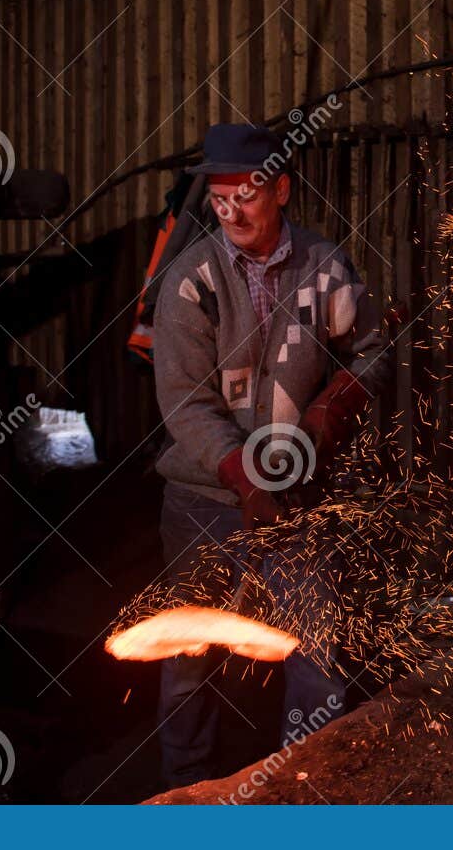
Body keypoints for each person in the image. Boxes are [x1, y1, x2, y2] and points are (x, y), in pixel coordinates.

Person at [150, 122, 389, 789]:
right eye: (220, 199)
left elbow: (372, 351)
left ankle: (301, 794)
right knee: (189, 658)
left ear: (280, 189)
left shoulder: (324, 267)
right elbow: (187, 404)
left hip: (302, 499)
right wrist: (242, 474)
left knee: (317, 656)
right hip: (205, 503)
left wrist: (333, 403)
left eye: (246, 195)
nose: (231, 212)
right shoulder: (190, 283)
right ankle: (185, 797)